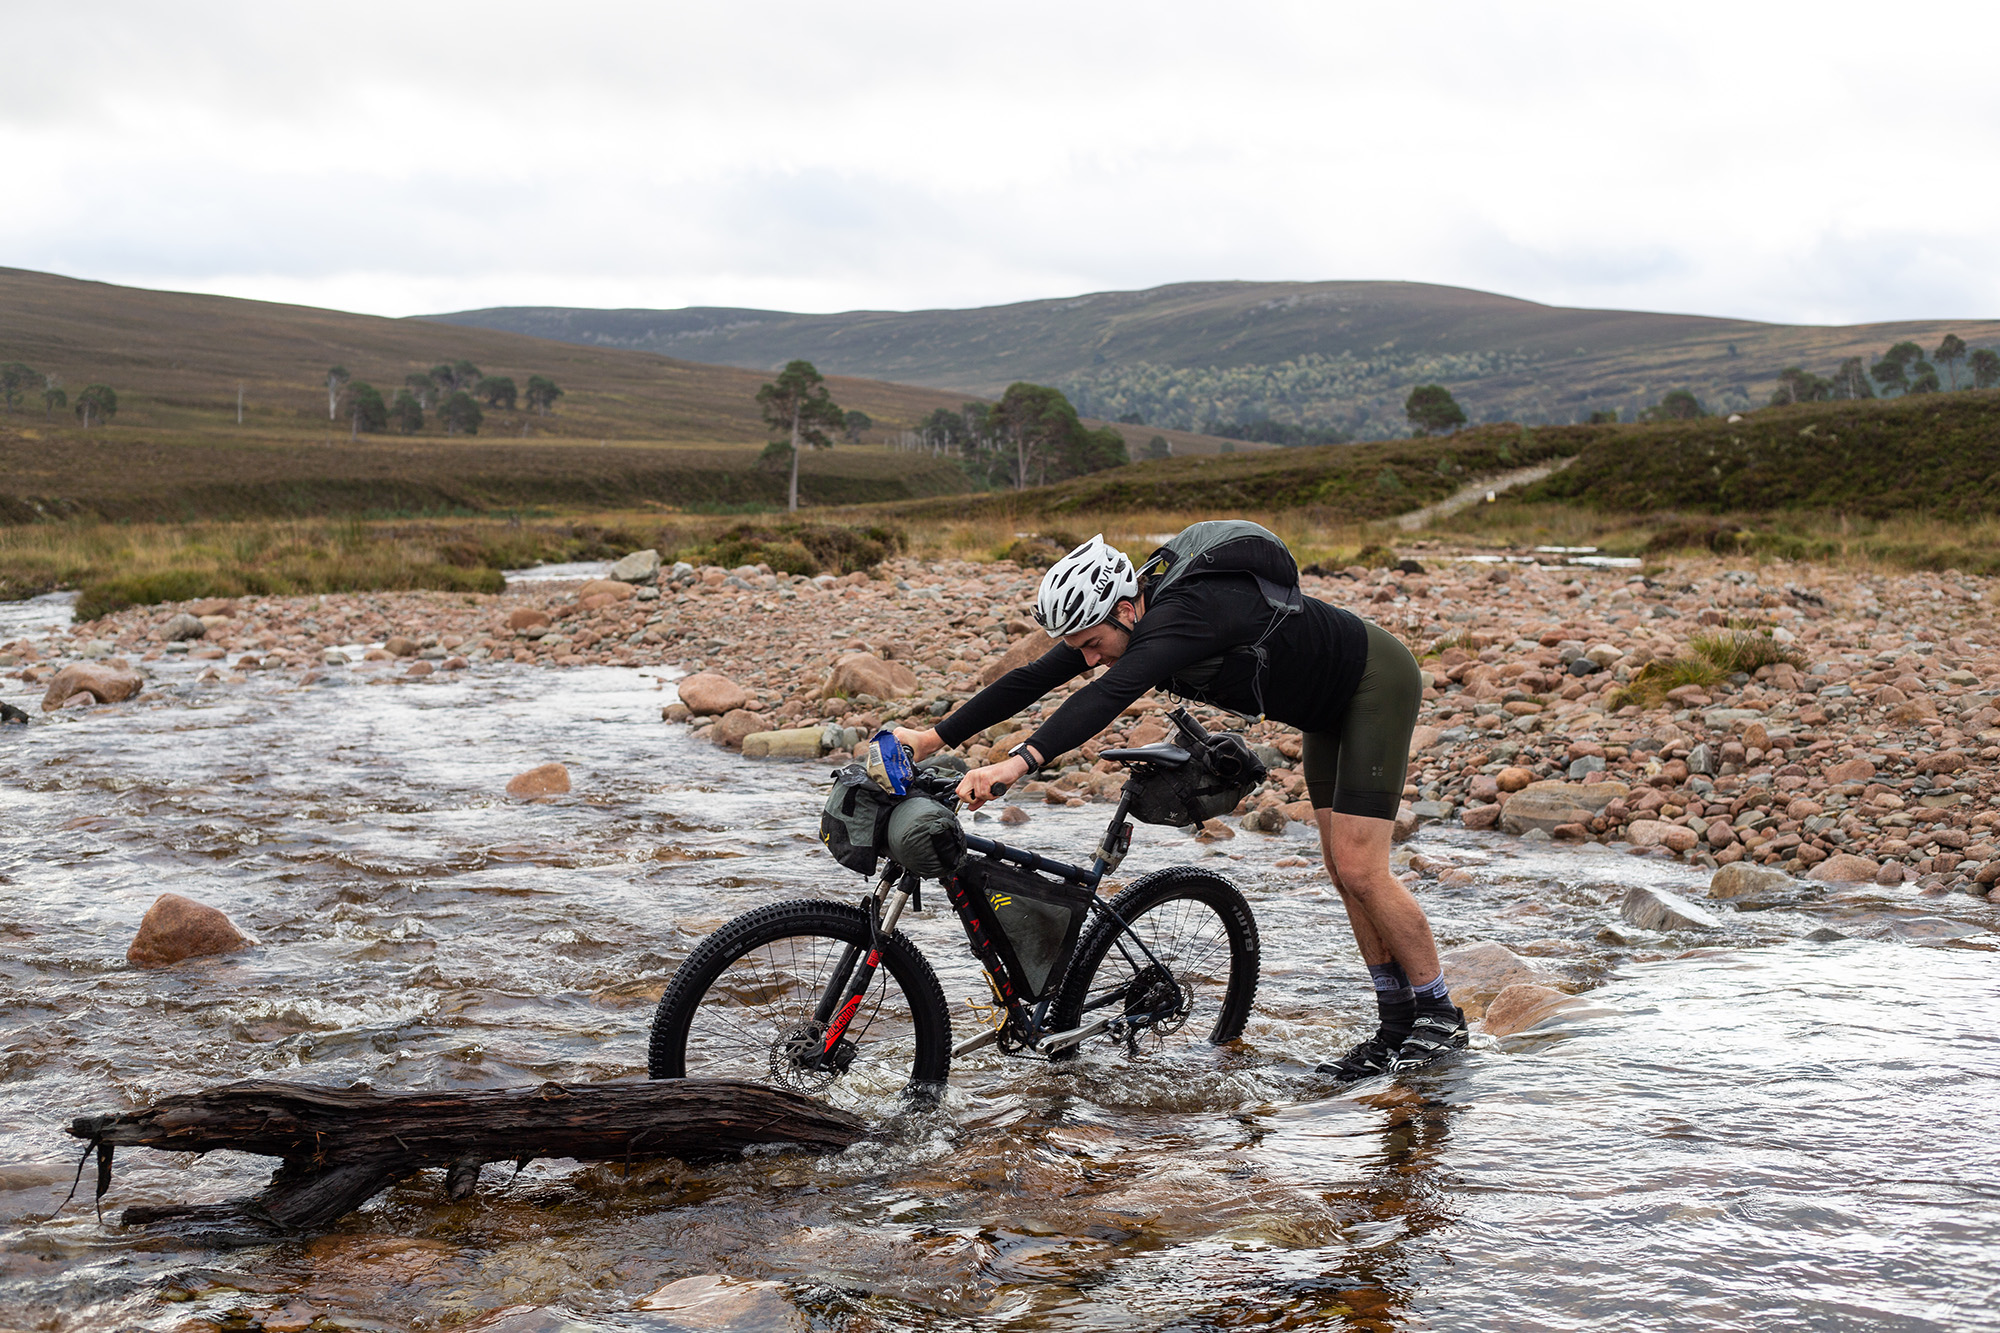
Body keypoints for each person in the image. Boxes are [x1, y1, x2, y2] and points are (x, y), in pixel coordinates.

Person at [894, 528, 1463, 1078]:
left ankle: (1439, 1017)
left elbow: (1109, 695)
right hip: (1324, 714)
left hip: (1373, 682)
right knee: (1343, 870)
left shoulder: (1186, 615)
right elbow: (1029, 679)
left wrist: (1017, 763)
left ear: (1125, 608)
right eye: (1080, 648)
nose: (1090, 659)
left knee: (1363, 867)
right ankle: (1395, 1026)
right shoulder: (1118, 623)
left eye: (1093, 644)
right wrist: (931, 739)